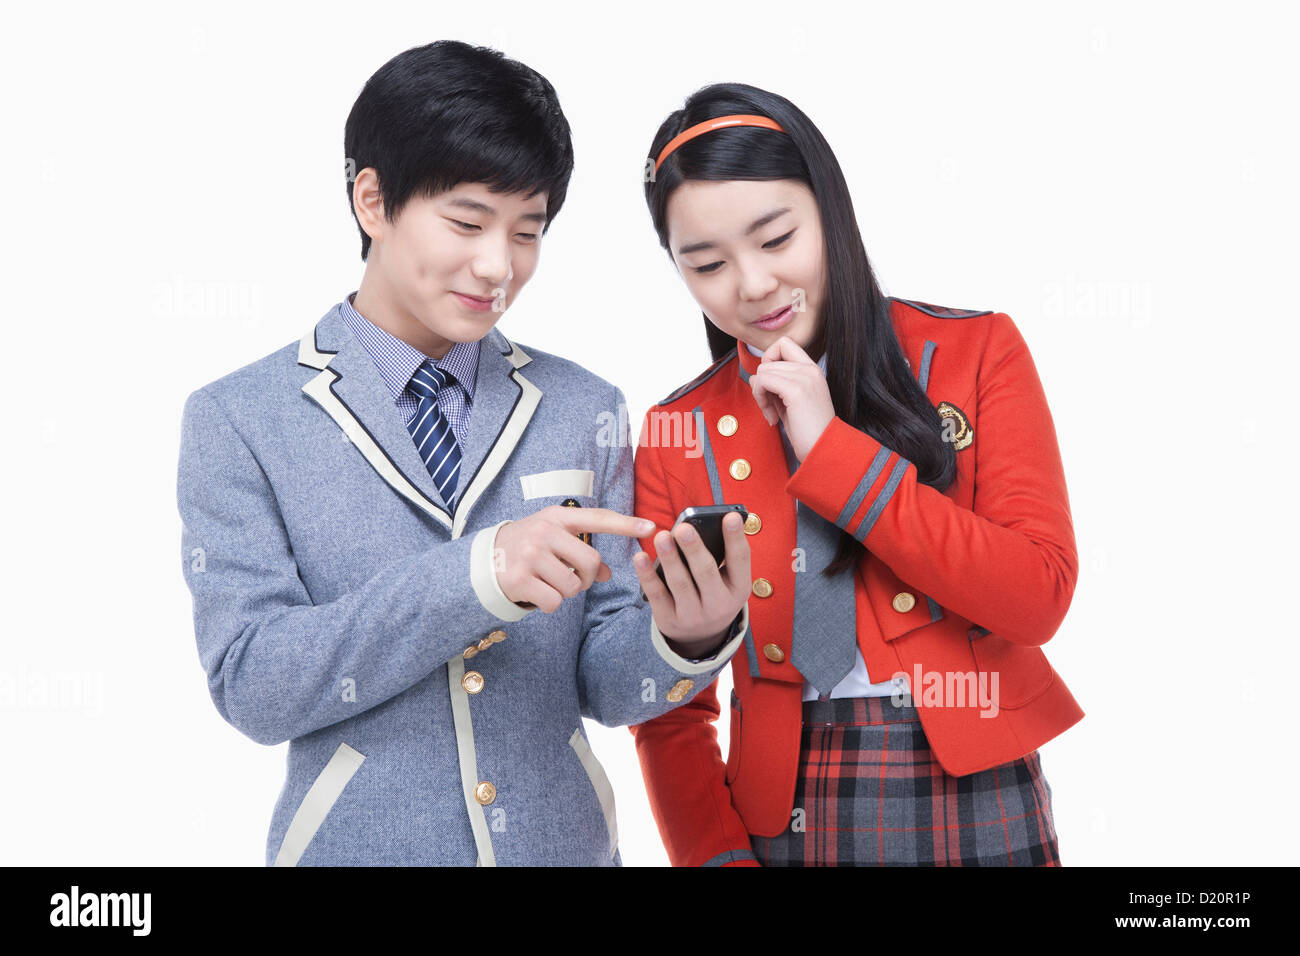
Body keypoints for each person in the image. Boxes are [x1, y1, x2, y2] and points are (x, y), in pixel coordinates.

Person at [175, 41, 752, 867]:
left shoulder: (585, 405)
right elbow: (255, 686)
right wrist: (476, 575)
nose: (498, 266)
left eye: (528, 231)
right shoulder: (239, 418)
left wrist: (685, 640)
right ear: (371, 199)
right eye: (468, 222)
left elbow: (607, 687)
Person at [628, 83, 1084, 866]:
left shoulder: (975, 354)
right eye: (706, 264)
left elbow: (1035, 597)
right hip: (786, 805)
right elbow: (669, 704)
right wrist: (715, 860)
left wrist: (832, 449)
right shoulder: (679, 433)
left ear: (830, 210)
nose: (753, 286)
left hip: (977, 783)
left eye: (776, 239)